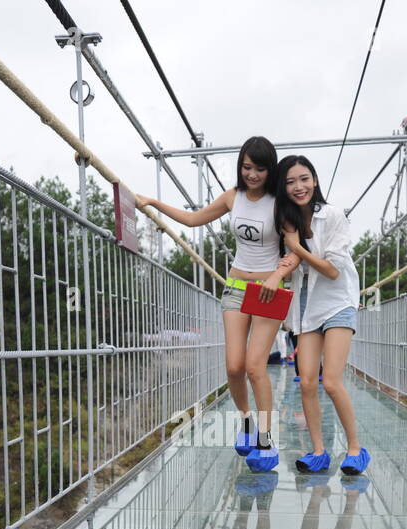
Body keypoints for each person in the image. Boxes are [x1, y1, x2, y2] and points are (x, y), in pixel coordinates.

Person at [136, 136, 299, 472]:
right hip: (236, 288)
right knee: (234, 367)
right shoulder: (232, 198)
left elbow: (297, 248)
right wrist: (153, 203)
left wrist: (277, 275)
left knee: (256, 367)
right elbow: (193, 219)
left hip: (268, 289)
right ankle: (247, 422)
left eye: (260, 168)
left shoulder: (279, 203)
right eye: (247, 167)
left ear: (271, 170)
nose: (252, 174)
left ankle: (266, 440)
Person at [273, 155, 370, 475]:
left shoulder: (334, 216)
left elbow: (330, 270)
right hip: (309, 309)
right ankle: (318, 451)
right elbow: (289, 267)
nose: (298, 187)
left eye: (303, 179)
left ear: (314, 180)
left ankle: (356, 450)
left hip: (339, 302)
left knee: (330, 381)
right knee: (306, 383)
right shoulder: (286, 223)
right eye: (289, 182)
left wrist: (296, 248)